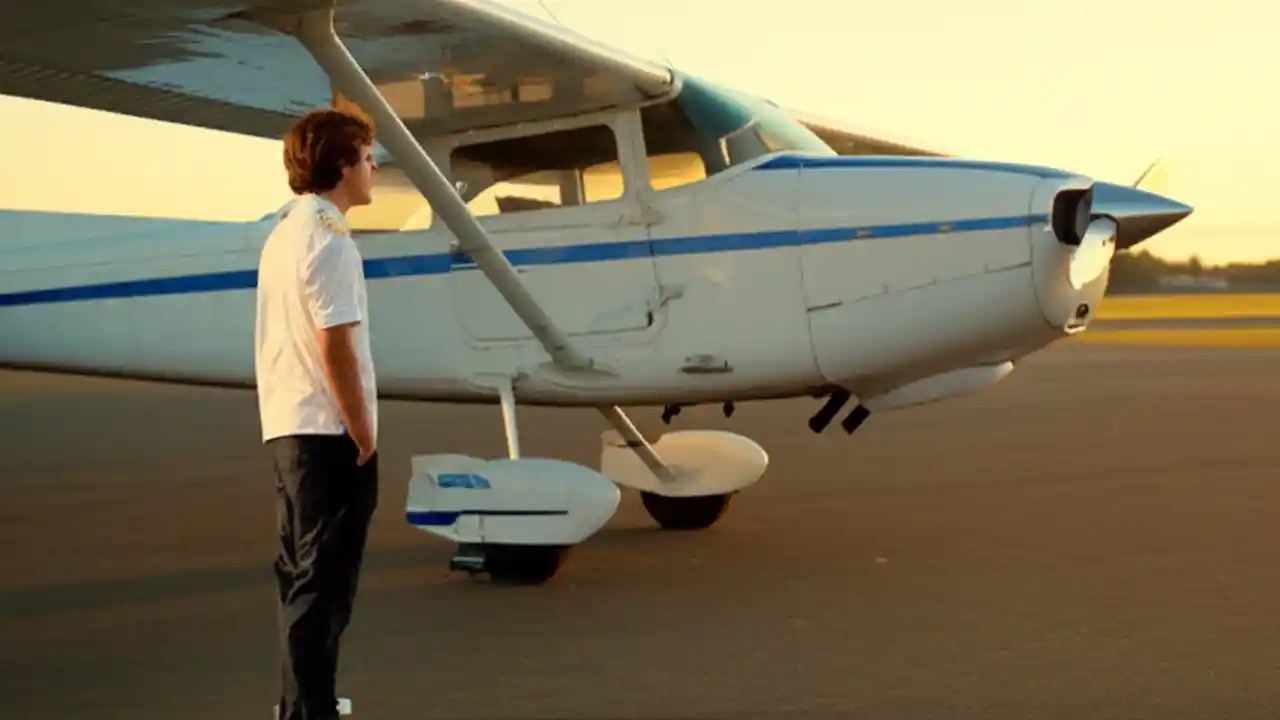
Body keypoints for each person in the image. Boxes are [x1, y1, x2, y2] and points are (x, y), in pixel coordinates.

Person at [254, 108, 380, 720]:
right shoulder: (331, 241)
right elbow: (335, 342)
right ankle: (312, 710)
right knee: (325, 585)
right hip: (326, 435)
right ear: (341, 165)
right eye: (366, 158)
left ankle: (300, 704)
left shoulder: (284, 233)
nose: (374, 169)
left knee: (299, 577)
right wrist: (362, 431)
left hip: (286, 429)